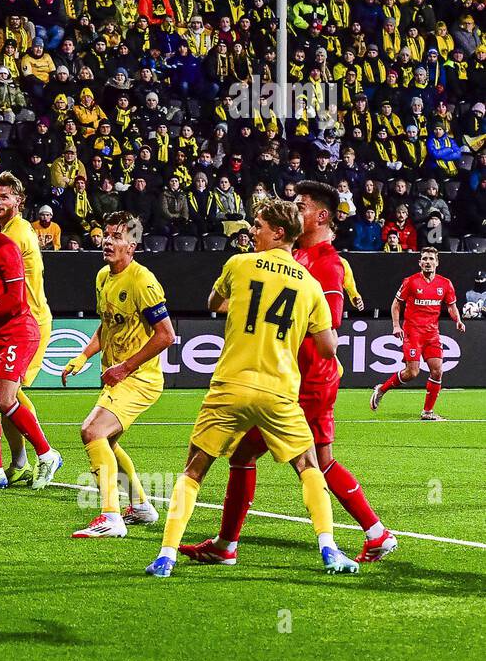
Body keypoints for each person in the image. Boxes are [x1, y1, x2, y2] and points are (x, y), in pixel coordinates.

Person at [144, 199, 359, 578]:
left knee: (194, 469)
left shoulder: (239, 264)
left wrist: (242, 306)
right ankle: (330, 549)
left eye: (258, 226)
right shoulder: (309, 285)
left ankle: (167, 556)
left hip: (230, 386)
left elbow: (214, 302)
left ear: (279, 231)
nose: (251, 232)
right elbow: (327, 347)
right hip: (279, 390)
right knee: (308, 465)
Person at [184, 182, 397, 565]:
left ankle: (228, 545)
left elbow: (328, 329)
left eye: (300, 206)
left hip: (310, 379)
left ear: (321, 216)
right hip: (290, 378)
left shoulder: (327, 263)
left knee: (297, 458)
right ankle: (374, 532)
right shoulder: (296, 257)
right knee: (272, 456)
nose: (292, 211)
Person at [62, 211, 174, 536]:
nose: (108, 241)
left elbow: (166, 335)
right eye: (106, 234)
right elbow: (107, 325)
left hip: (138, 379)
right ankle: (140, 507)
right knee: (106, 441)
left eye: (117, 236)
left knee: (92, 431)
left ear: (133, 245)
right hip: (118, 376)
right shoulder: (102, 277)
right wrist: (82, 356)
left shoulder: (143, 281)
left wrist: (125, 366)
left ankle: (110, 517)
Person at [0, 192, 63, 494]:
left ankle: (47, 454)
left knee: (5, 399)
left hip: (18, 331)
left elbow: (14, 298)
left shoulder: (5, 247)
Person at [0, 171, 58, 487]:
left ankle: (45, 454)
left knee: (8, 394)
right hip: (14, 321)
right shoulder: (8, 229)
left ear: (19, 200)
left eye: (5, 197)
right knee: (2, 395)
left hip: (29, 321)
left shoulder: (15, 235)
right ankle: (20, 463)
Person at [371, 247, 466, 421]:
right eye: (424, 259)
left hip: (432, 334)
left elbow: (451, 306)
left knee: (437, 371)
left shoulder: (445, 284)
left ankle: (427, 412)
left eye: (431, 259)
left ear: (437, 262)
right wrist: (396, 326)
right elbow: (396, 304)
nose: (428, 262)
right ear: (420, 262)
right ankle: (381, 389)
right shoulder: (411, 282)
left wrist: (458, 320)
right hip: (412, 333)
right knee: (412, 373)